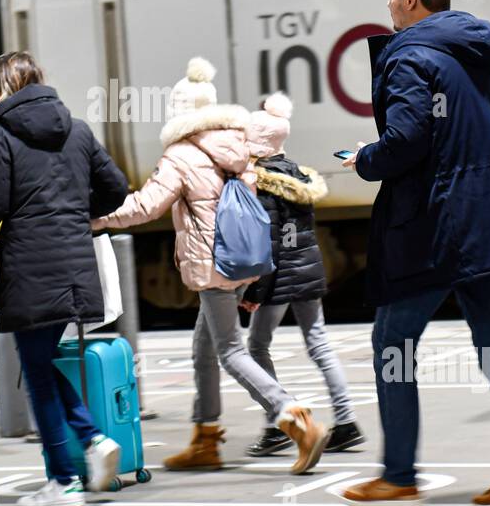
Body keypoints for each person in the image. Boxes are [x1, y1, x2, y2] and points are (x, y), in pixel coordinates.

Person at [338, 0, 490, 506]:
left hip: (435, 225)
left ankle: (399, 475)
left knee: (392, 344)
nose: (385, 3)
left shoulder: (410, 57)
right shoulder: (480, 50)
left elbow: (407, 141)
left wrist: (364, 159)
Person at [93, 58, 328, 475]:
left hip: (212, 264)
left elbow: (146, 206)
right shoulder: (238, 143)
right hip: (243, 259)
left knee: (230, 350)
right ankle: (205, 439)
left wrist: (97, 219)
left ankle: (293, 417)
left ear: (180, 112)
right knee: (203, 348)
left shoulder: (181, 155)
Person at [0, 51, 130, 506]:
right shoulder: (78, 129)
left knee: (37, 374)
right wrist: (74, 212)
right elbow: (116, 188)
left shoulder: (0, 135)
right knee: (44, 364)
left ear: (3, 89)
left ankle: (66, 481)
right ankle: (93, 441)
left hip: (29, 267)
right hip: (73, 265)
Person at [239, 92, 364, 456]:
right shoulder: (299, 176)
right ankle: (346, 421)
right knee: (319, 343)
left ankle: (277, 423)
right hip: (307, 271)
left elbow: (267, 245)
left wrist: (254, 293)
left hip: (277, 279)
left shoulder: (258, 184)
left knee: (257, 347)